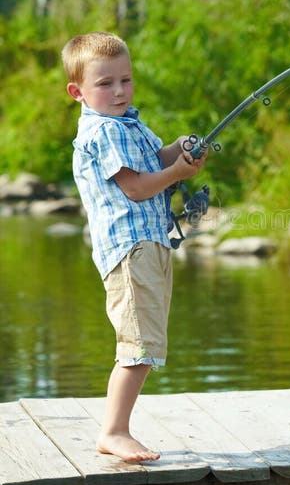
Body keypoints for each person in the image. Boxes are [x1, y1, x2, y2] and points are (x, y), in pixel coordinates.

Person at [62, 31, 206, 462]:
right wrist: (177, 173)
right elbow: (138, 188)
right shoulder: (103, 132)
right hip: (130, 248)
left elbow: (151, 165)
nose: (119, 90)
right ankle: (114, 431)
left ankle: (117, 428)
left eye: (125, 80)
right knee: (138, 345)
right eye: (105, 84)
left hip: (150, 243)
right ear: (78, 92)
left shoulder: (128, 124)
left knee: (147, 342)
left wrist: (176, 152)